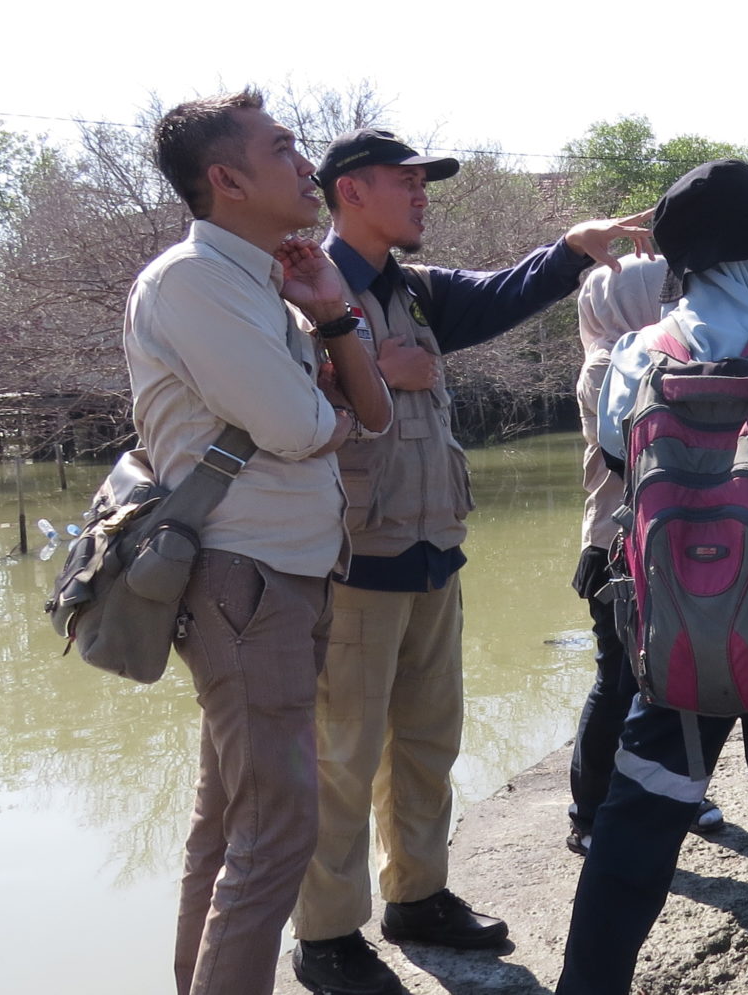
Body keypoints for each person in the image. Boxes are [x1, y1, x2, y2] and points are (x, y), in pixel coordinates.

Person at [290, 128, 646, 995]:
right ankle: (328, 934)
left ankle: (418, 895)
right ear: (349, 191)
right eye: (405, 182)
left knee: (427, 740)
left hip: (430, 554)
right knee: (341, 755)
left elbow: (500, 295)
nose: (422, 195)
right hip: (351, 562)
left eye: (425, 182)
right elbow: (278, 390)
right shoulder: (302, 283)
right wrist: (377, 365)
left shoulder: (415, 290)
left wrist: (573, 251)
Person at [556, 159, 748, 995]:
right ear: (747, 255)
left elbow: (624, 464)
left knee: (637, 826)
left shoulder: (634, 354)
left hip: (674, 634)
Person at [130, 89, 392, 995]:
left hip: (281, 579)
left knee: (229, 825)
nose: (305, 163)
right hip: (246, 583)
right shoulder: (191, 280)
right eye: (283, 148)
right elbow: (295, 423)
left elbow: (372, 411)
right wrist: (326, 412)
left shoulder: (267, 282)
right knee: (277, 836)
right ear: (227, 178)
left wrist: (331, 313)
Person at [566, 254, 724, 852]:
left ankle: (674, 794)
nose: (668, 302)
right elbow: (628, 453)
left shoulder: (643, 352)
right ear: (621, 299)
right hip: (616, 543)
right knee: (619, 679)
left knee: (672, 673)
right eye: (656, 291)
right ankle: (589, 811)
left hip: (656, 538)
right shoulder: (613, 362)